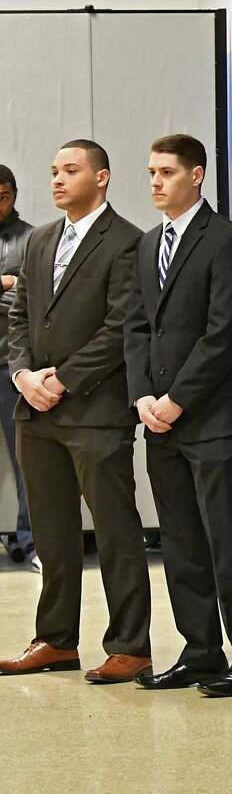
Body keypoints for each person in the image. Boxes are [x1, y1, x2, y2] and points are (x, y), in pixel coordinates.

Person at [123, 134, 232, 696]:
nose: (156, 182)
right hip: (159, 419)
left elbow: (222, 333)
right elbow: (138, 327)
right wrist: (143, 397)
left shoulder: (227, 241)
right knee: (181, 542)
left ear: (197, 175)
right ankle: (201, 651)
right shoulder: (148, 244)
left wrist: (177, 399)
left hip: (211, 418)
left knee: (225, 540)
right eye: (151, 172)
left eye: (166, 172)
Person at [0, 140, 150, 683]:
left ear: (102, 177)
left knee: (115, 531)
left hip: (95, 409)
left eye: (70, 170)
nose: (58, 180)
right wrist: (23, 375)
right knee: (51, 531)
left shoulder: (128, 241)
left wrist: (62, 379)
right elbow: (19, 317)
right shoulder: (40, 239)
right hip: (36, 411)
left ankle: (130, 645)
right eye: (54, 171)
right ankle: (56, 640)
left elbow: (119, 328)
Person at [0, 164, 36, 572]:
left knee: (27, 459)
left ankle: (30, 542)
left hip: (13, 366)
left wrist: (12, 287)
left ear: (13, 194)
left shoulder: (32, 239)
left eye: (3, 196)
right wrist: (8, 283)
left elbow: (32, 302)